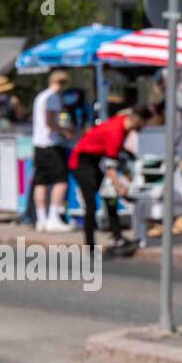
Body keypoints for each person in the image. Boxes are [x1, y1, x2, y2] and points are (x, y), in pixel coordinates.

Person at [68, 104, 150, 250]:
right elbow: (110, 166)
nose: (144, 127)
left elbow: (111, 148)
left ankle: (117, 237)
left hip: (95, 160)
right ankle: (90, 245)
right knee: (91, 205)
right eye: (144, 123)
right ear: (137, 120)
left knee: (109, 197)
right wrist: (119, 187)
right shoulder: (116, 132)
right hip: (82, 162)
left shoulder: (123, 122)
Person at [30, 70, 74, 233]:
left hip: (38, 144)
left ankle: (41, 220)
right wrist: (65, 130)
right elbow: (50, 122)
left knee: (40, 182)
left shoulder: (40, 96)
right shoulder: (53, 97)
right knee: (61, 181)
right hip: (50, 144)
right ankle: (53, 217)